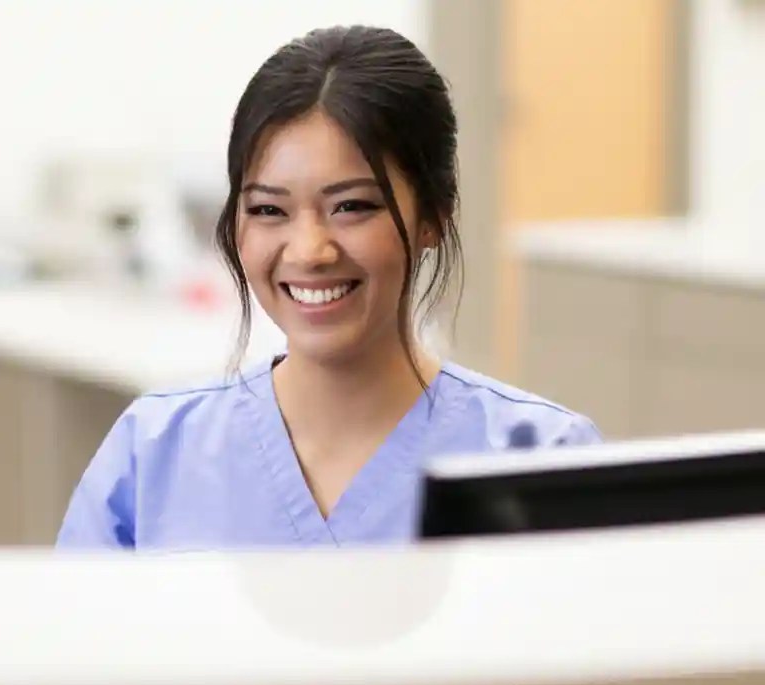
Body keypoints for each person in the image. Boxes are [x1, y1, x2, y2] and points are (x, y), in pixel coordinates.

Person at [56, 25, 602, 550]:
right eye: (268, 210)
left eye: (352, 206)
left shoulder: (542, 460)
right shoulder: (152, 453)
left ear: (433, 216)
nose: (309, 251)